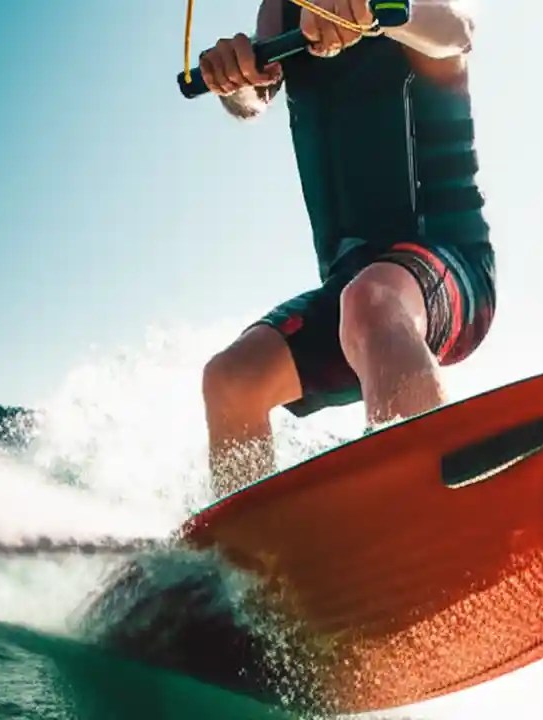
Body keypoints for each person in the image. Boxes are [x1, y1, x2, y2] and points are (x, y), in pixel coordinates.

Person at [196, 0, 496, 497]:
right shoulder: (278, 9)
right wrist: (235, 76)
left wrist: (377, 12)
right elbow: (255, 95)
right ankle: (249, 548)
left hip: (450, 265)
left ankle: (430, 508)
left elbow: (457, 29)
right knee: (231, 379)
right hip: (350, 293)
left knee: (372, 302)